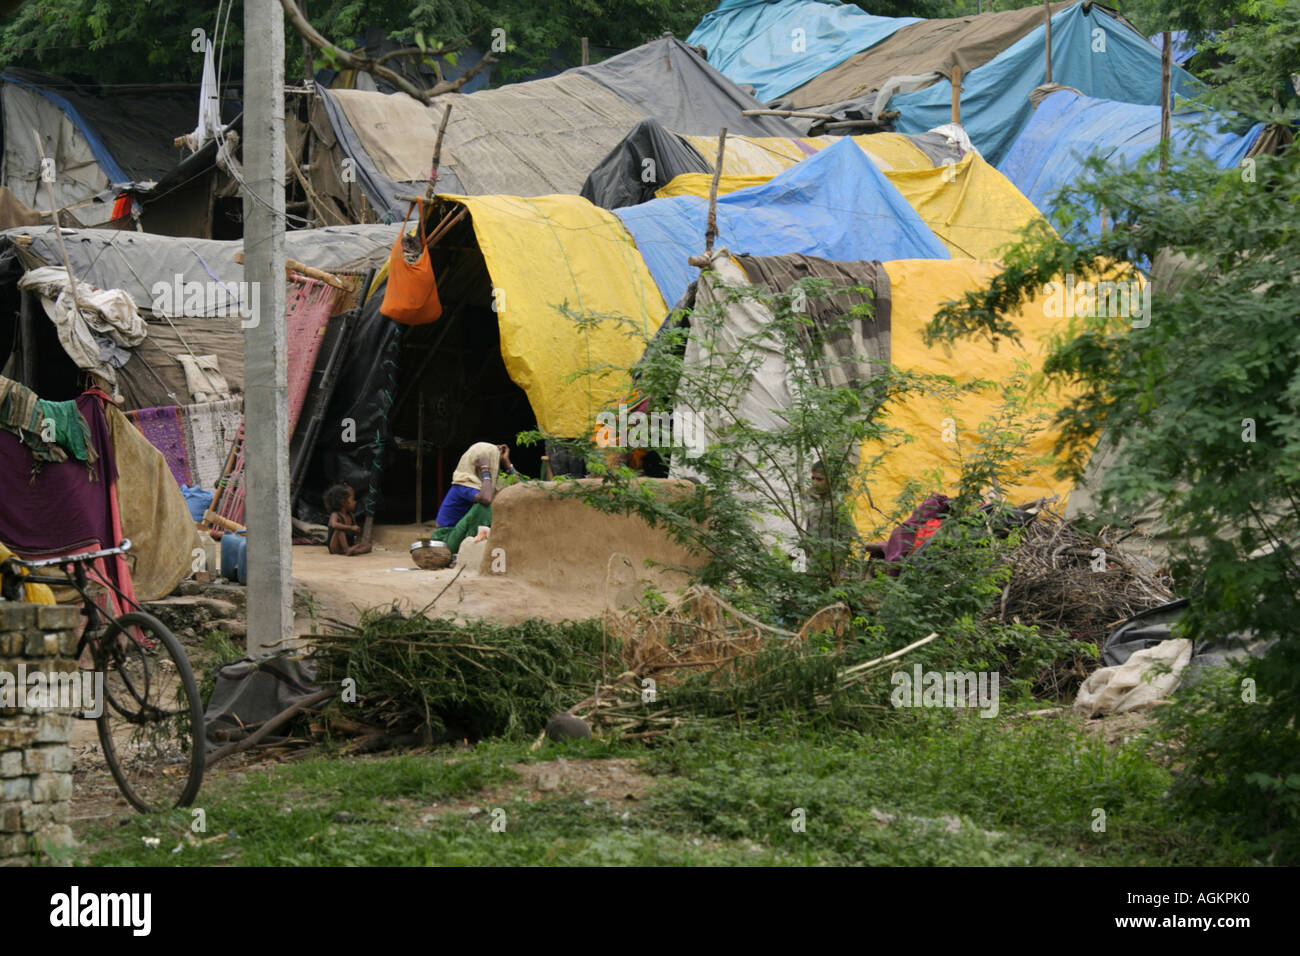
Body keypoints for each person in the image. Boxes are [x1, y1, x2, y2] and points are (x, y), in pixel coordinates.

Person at [429, 442, 520, 561]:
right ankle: (461, 554)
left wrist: (507, 463)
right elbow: (486, 500)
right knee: (483, 508)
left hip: (455, 535)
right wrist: (485, 470)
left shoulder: (487, 486)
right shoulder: (463, 483)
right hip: (445, 540)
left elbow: (521, 489)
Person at [325, 484, 372, 556]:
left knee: (368, 546)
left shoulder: (351, 516)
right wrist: (351, 528)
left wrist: (357, 531)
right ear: (343, 502)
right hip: (335, 547)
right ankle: (347, 550)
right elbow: (334, 524)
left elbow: (354, 532)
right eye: (352, 499)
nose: (355, 502)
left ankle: (354, 551)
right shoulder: (335, 514)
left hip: (348, 545)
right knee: (339, 529)